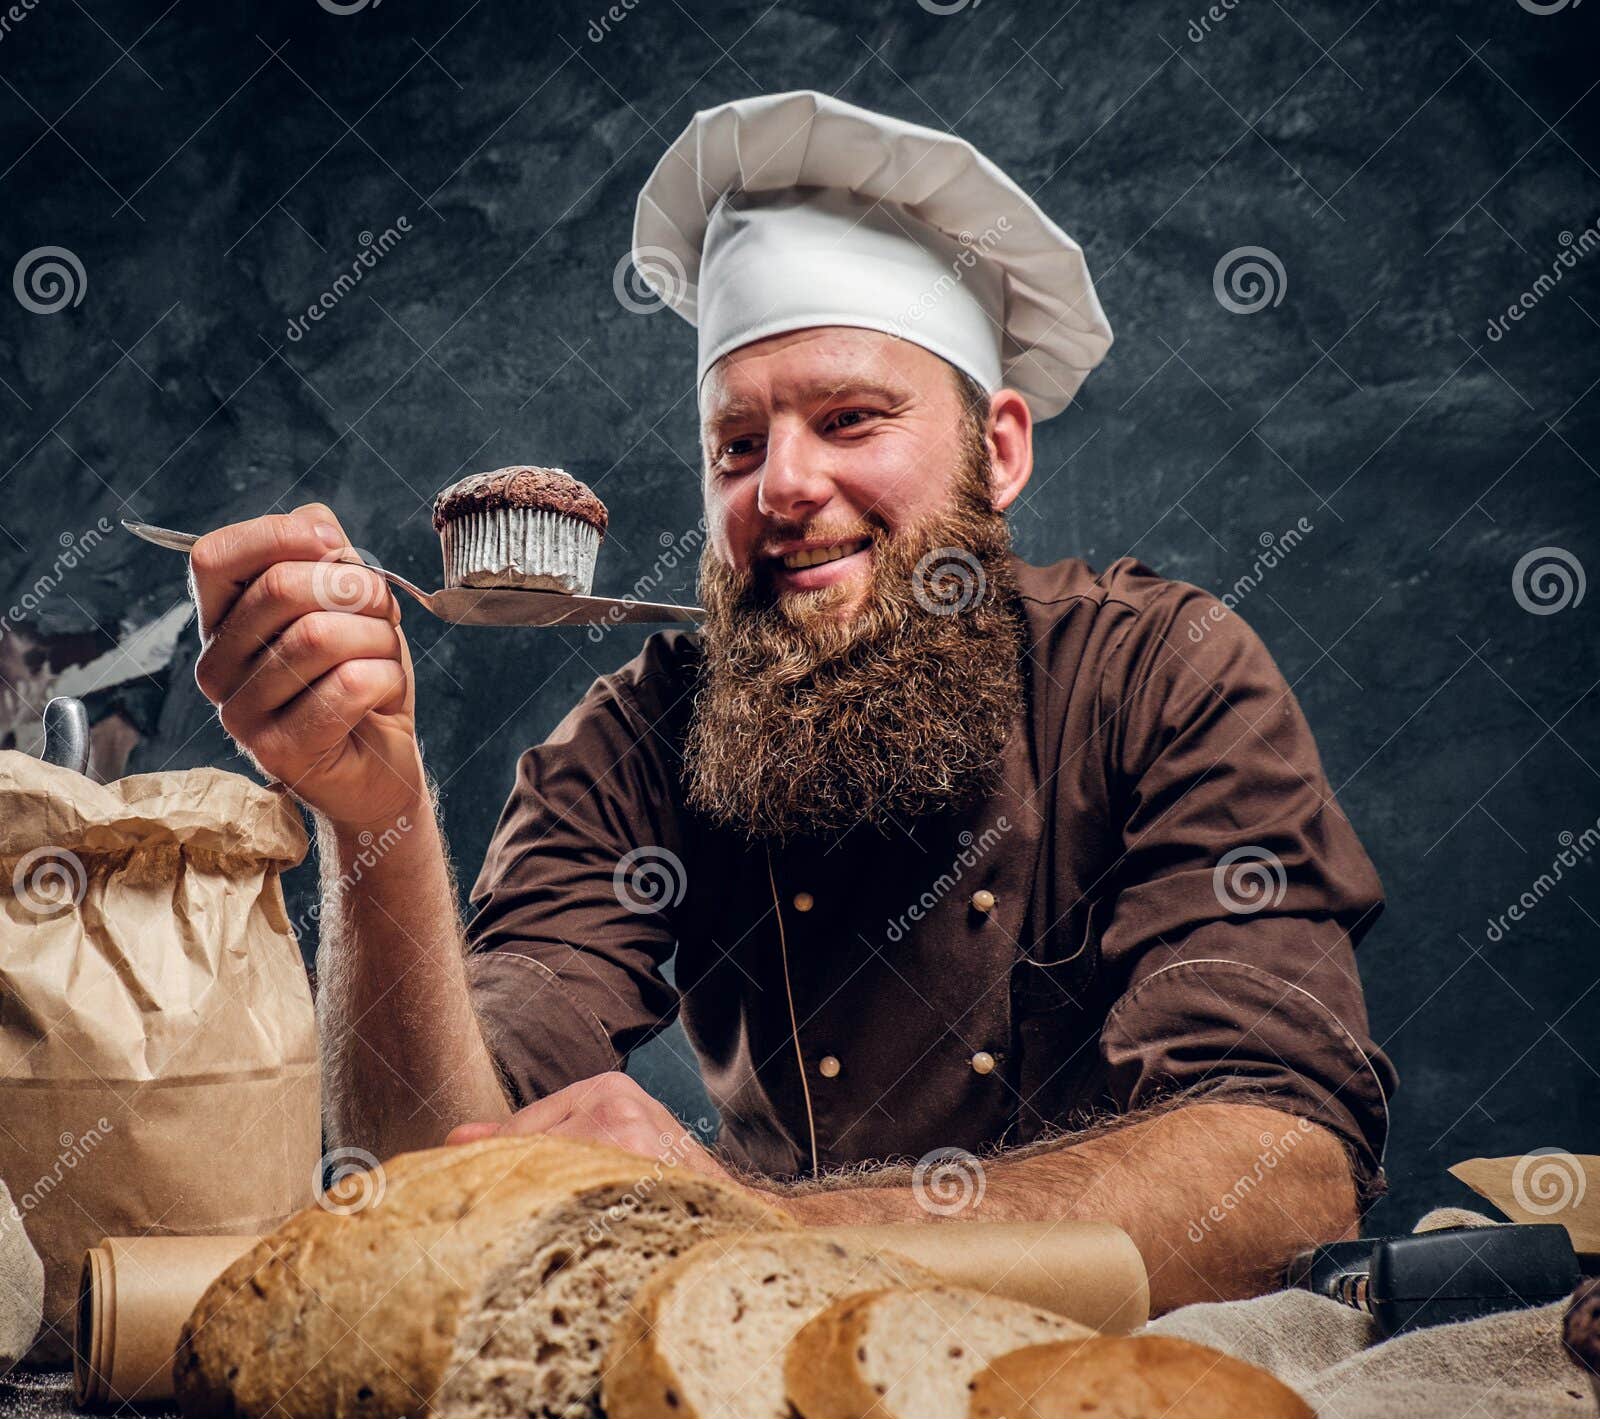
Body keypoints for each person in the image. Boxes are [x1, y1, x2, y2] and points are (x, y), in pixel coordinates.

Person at [187, 92, 1395, 1314]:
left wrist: (748, 1225)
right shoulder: (635, 740)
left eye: (850, 418)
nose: (784, 485)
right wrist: (370, 812)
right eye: (736, 445)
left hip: (1119, 1393)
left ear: (1003, 449)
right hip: (746, 1376)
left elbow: (1283, 1174)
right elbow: (434, 1180)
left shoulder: (1164, 674)